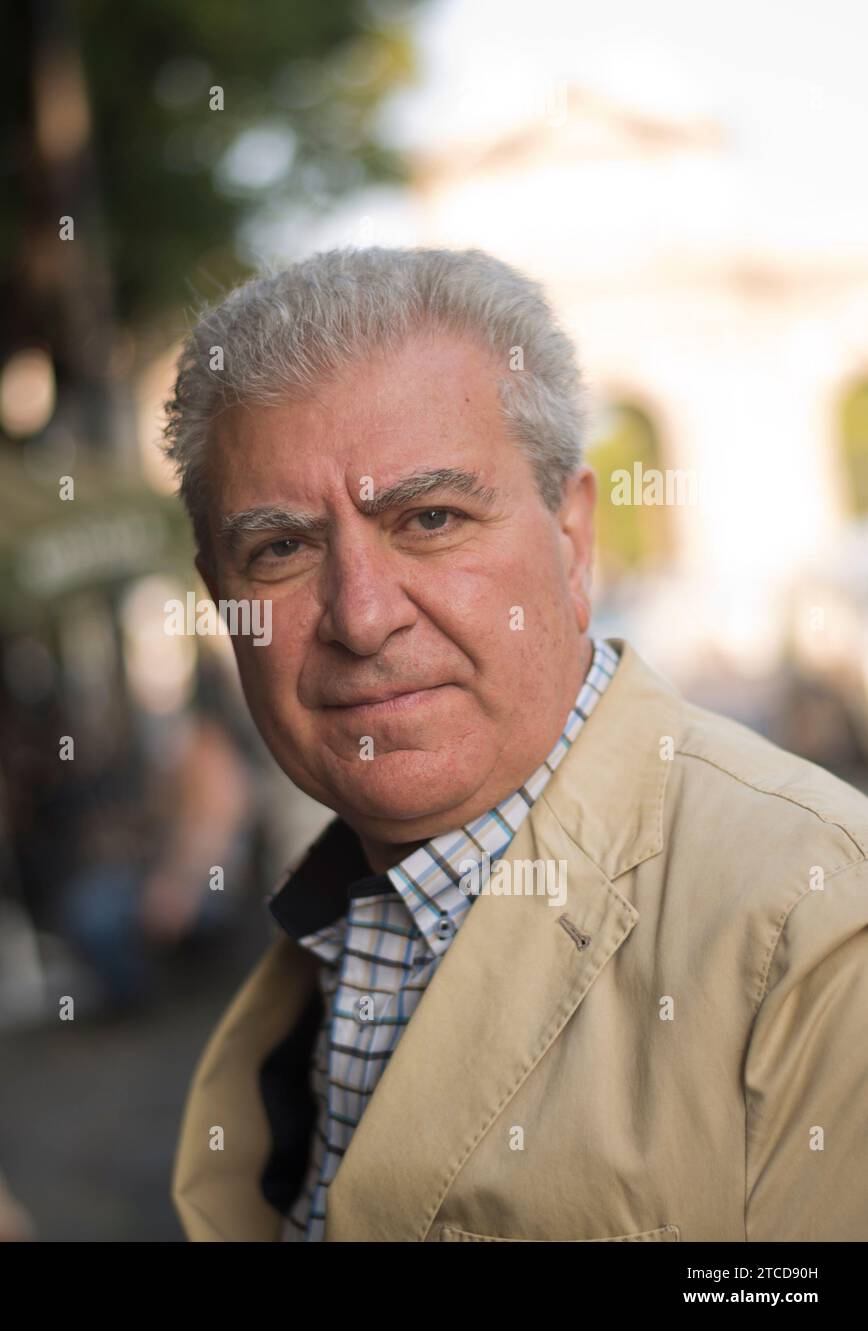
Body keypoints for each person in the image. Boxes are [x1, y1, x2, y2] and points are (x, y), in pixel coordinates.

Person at [161, 246, 868, 1242]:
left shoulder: (823, 930)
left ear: (573, 543)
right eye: (280, 548)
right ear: (220, 602)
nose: (361, 617)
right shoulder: (334, 926)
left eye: (430, 518)